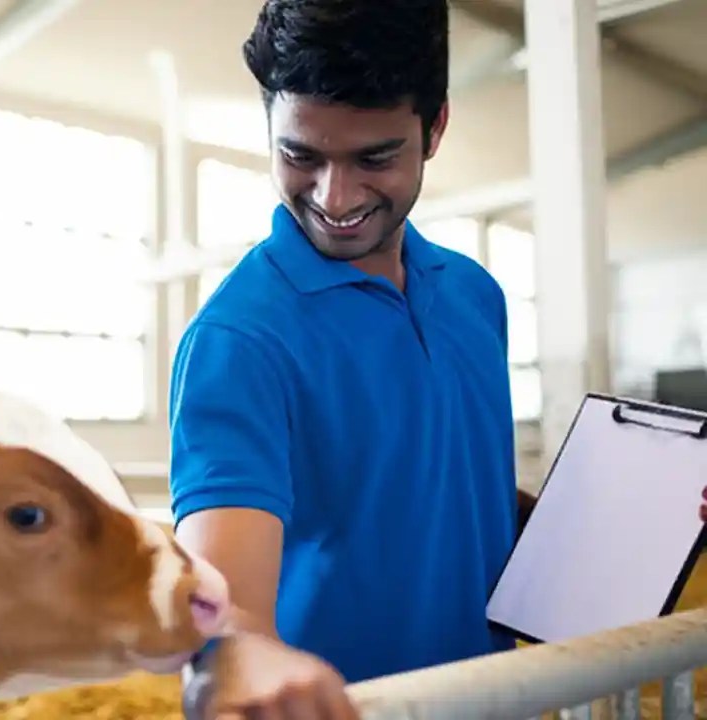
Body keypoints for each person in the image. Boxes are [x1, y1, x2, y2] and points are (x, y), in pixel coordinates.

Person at [169, 1, 707, 718]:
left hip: (501, 698)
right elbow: (223, 603)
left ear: (436, 128)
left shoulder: (473, 295)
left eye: (374, 157)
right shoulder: (238, 341)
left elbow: (455, 494)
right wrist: (236, 656)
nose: (335, 196)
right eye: (301, 154)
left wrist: (648, 517)